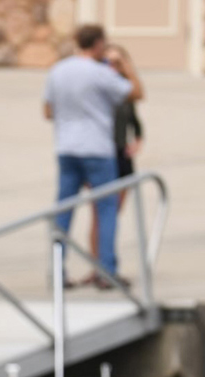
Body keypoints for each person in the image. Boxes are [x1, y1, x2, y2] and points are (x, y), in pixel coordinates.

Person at [43, 24, 142, 287]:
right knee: (106, 210)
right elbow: (136, 93)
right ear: (99, 43)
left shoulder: (58, 71)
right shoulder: (101, 73)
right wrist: (124, 65)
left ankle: (56, 272)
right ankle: (106, 272)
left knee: (64, 211)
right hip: (97, 150)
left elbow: (48, 112)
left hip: (66, 148)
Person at [86, 44, 143, 287]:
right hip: (99, 155)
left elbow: (134, 118)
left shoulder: (124, 90)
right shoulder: (99, 89)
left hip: (122, 157)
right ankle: (99, 267)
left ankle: (105, 265)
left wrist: (138, 139)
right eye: (107, 62)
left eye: (117, 62)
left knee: (113, 215)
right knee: (99, 215)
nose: (112, 67)